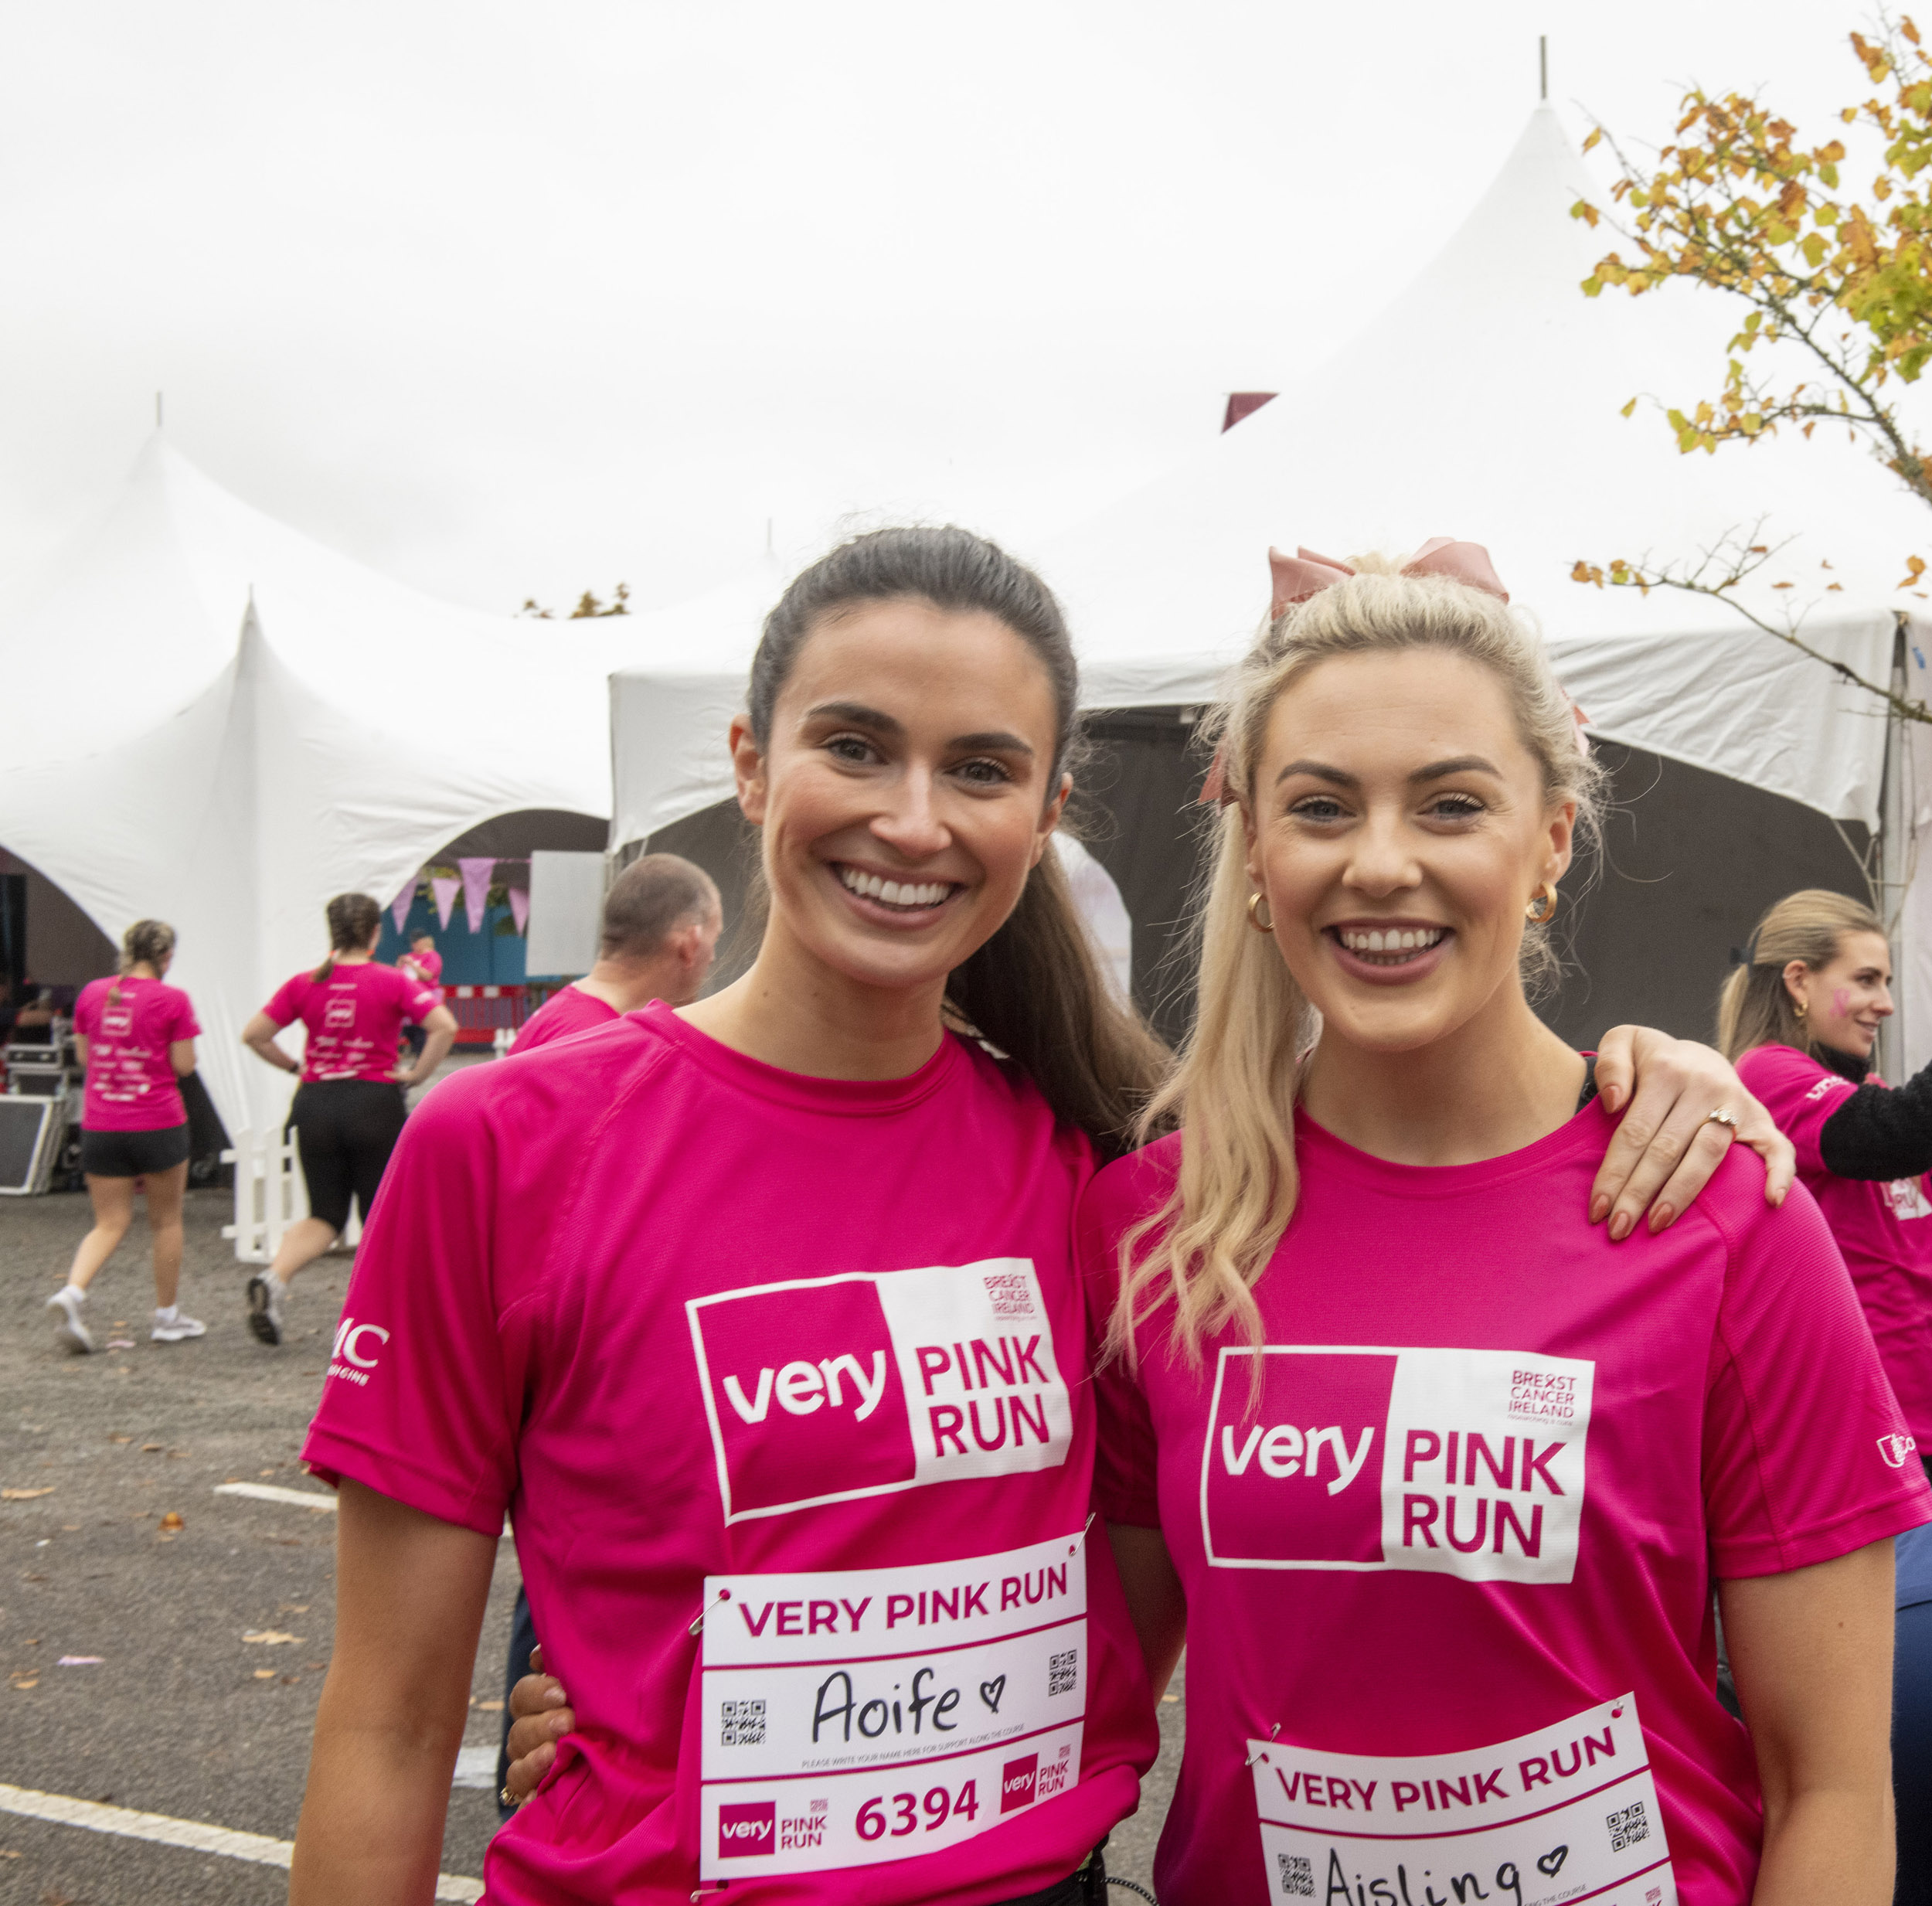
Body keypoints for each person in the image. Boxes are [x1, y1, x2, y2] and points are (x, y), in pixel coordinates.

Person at [303, 529, 1784, 1906]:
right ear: (751, 763)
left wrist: (1676, 1067)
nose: (913, 819)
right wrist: (587, 1686)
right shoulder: (502, 1146)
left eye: (983, 768)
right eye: (855, 746)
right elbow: (390, 1721)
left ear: (1047, 809)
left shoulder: (1104, 1174)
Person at [1066, 546, 1927, 1905]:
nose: (1383, 862)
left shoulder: (1717, 1210)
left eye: (1452, 804)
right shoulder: (1152, 1233)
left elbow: (1832, 1788)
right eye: (1322, 807)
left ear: (1553, 839)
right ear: (1256, 855)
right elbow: (1060, 1682)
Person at [1718, 888, 1932, 1900]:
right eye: (1868, 978)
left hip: (1920, 1446)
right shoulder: (1770, 1078)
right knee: (1870, 1727)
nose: (1885, 999)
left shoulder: (1867, 1089)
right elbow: (1883, 1138)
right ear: (1799, 984)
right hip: (1860, 1462)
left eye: (1889, 979)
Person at [240, 893, 457, 1348]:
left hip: (315, 1103)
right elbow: (445, 1025)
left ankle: (274, 1279)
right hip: (372, 1102)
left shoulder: (304, 983)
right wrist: (416, 1074)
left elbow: (255, 1035)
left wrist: (296, 1068)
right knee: (382, 1213)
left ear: (332, 932)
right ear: (375, 932)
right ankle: (383, 1322)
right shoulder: (392, 981)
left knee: (324, 1213)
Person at [43, 920, 203, 1352]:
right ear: (166, 957)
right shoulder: (174, 999)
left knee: (109, 1223)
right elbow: (185, 1066)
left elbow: (84, 1056)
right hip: (158, 1122)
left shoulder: (92, 993)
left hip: (102, 1123)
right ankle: (167, 1317)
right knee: (166, 1221)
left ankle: (73, 1291)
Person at [509, 853, 722, 1054]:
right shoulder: (609, 1043)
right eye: (715, 940)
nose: (712, 957)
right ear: (691, 943)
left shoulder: (564, 1017)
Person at [396, 931, 443, 1060]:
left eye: (415, 942)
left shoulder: (432, 956)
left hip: (426, 995)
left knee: (419, 1028)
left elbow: (428, 975)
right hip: (409, 995)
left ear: (423, 941)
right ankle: (416, 1054)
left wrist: (412, 965)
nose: (413, 945)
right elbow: (400, 975)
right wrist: (400, 965)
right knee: (407, 1027)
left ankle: (421, 1057)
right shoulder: (410, 955)